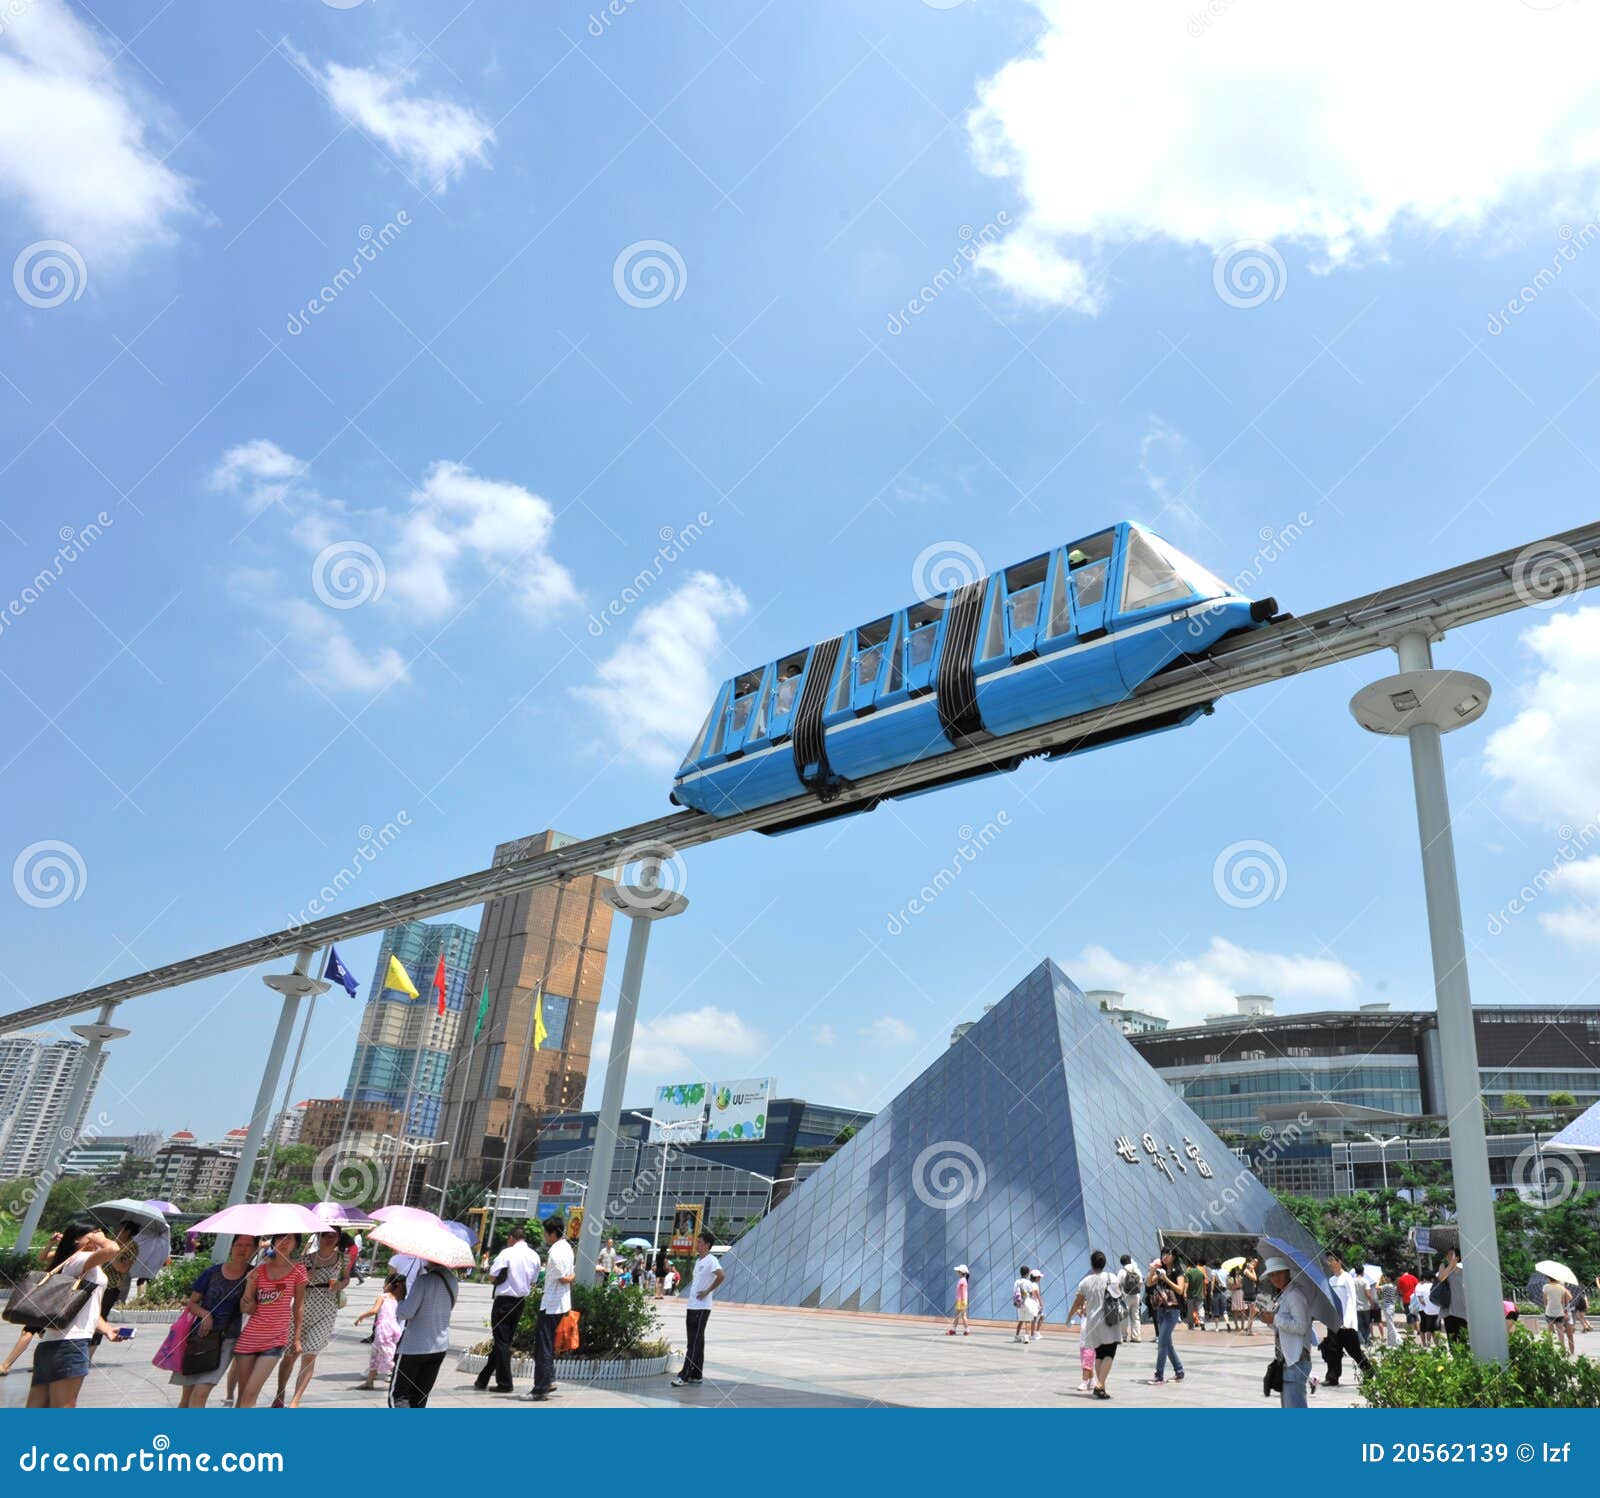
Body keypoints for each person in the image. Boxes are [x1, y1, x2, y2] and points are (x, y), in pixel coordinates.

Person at [25, 1221, 123, 1408]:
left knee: (38, 1406)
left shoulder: (79, 1263)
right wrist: (101, 1239)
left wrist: (107, 1330)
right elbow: (113, 1249)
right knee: (64, 1407)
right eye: (93, 1233)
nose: (99, 1235)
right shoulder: (80, 1259)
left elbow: (84, 1307)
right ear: (77, 1240)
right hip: (70, 1344)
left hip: (49, 1344)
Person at [171, 1233, 254, 1408]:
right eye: (239, 1245)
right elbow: (192, 1303)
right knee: (186, 1399)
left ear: (254, 1249)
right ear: (231, 1247)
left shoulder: (254, 1276)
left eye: (248, 1246)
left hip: (227, 1339)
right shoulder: (212, 1272)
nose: (243, 1249)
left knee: (200, 1392)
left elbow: (250, 1309)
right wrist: (205, 1315)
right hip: (200, 1337)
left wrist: (251, 1287)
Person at [271, 1229, 349, 1408]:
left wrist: (341, 1284)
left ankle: (295, 1401)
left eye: (334, 1236)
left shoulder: (343, 1259)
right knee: (290, 1355)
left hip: (326, 1309)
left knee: (310, 1354)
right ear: (318, 1236)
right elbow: (292, 1285)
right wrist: (305, 1278)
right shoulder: (305, 1259)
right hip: (302, 1307)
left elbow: (346, 1278)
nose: (330, 1239)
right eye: (326, 1235)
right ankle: (280, 1393)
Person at [232, 1232, 308, 1408]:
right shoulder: (259, 1270)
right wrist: (250, 1284)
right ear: (274, 1241)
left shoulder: (299, 1270)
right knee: (243, 1394)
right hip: (249, 1337)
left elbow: (298, 1306)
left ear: (296, 1244)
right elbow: (247, 1308)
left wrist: (296, 1339)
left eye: (290, 1239)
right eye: (281, 1238)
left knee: (250, 1393)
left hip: (274, 1340)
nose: (284, 1242)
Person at [476, 1223, 539, 1393]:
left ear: (512, 1238)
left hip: (504, 1301)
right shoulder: (534, 1256)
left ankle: (505, 1383)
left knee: (502, 1341)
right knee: (503, 1341)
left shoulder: (507, 1253)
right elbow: (533, 1281)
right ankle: (483, 1378)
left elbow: (492, 1276)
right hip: (520, 1302)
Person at [390, 1259, 459, 1408]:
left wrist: (399, 1299)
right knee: (419, 1397)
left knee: (399, 1397)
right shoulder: (453, 1280)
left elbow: (406, 1313)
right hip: (439, 1346)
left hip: (414, 1347)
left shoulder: (423, 1281)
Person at [1254, 1256, 1315, 1408]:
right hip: (1287, 1360)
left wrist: (1274, 1319)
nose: (1276, 1278)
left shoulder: (1294, 1295)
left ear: (1288, 1272)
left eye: (1279, 1273)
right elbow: (1282, 1328)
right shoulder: (1284, 1295)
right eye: (1272, 1275)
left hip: (1296, 1360)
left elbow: (1301, 1327)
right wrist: (1268, 1320)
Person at [526, 1216, 574, 1402]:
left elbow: (563, 1278)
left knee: (543, 1347)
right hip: (561, 1303)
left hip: (551, 1305)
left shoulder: (555, 1253)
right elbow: (568, 1275)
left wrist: (571, 1277)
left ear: (553, 1233)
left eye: (546, 1233)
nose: (544, 1236)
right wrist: (571, 1276)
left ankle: (540, 1389)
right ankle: (550, 1380)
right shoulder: (568, 1248)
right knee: (547, 1345)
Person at [1067, 1250, 1122, 1400]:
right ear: (1104, 1263)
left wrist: (1069, 1316)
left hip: (1092, 1322)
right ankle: (1099, 1384)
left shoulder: (1085, 1282)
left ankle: (1101, 1388)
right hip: (1108, 1320)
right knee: (1109, 1353)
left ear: (1092, 1264)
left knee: (1099, 1354)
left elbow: (1077, 1302)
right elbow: (1118, 1296)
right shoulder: (1112, 1277)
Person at [673, 1229, 724, 1388]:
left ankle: (684, 1375)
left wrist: (708, 1291)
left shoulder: (711, 1260)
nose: (697, 1244)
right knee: (698, 1341)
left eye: (699, 1242)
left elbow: (721, 1275)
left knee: (693, 1342)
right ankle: (696, 1374)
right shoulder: (699, 1261)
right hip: (692, 1305)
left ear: (707, 1245)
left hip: (702, 1307)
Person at [1322, 1250, 1371, 1386]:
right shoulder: (1331, 1280)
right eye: (1328, 1261)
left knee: (1354, 1351)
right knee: (1333, 1350)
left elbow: (1351, 1299)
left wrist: (1347, 1320)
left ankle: (1369, 1371)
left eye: (1332, 1260)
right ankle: (1332, 1377)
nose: (1330, 1263)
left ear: (1339, 1261)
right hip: (1334, 1321)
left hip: (1347, 1323)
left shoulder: (1347, 1278)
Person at [354, 1273, 405, 1390]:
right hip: (394, 1328)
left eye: (385, 1283)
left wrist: (361, 1316)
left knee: (385, 1355)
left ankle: (395, 1374)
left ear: (390, 1284)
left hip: (383, 1329)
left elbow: (374, 1310)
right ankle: (369, 1382)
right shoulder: (398, 1298)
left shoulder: (383, 1296)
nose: (383, 1286)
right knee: (378, 1354)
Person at [1147, 1249, 1186, 1384]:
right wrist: (1152, 1271)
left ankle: (1159, 1376)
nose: (1164, 1257)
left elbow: (1180, 1290)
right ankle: (1179, 1372)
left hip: (1173, 1310)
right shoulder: (1161, 1270)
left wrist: (1166, 1279)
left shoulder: (1178, 1270)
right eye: (1162, 1254)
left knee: (1162, 1343)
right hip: (1161, 1308)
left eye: (1167, 1254)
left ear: (1173, 1256)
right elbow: (1149, 1283)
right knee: (1167, 1344)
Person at [1435, 1246, 1469, 1345]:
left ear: (1458, 1257)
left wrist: (1455, 1265)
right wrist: (1451, 1265)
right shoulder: (1443, 1266)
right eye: (1448, 1254)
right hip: (1448, 1309)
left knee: (1463, 1340)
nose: (1448, 1256)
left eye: (1451, 1254)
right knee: (1452, 1340)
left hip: (1462, 1308)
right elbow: (1441, 1278)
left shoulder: (1464, 1268)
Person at [1542, 1277, 1574, 1353]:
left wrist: (1547, 1306)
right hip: (1560, 1313)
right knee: (1561, 1334)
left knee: (1549, 1333)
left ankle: (1549, 1351)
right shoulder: (1562, 1288)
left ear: (1549, 1278)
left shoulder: (1545, 1287)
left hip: (1549, 1312)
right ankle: (1562, 1351)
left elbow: (1545, 1301)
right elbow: (1562, 1303)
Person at [1117, 1254, 1143, 1343]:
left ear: (1122, 1263)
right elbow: (1141, 1282)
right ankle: (1136, 1337)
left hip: (1125, 1296)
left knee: (1124, 1317)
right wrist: (1136, 1289)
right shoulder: (1136, 1269)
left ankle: (1123, 1336)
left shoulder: (1122, 1271)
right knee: (1136, 1317)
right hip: (1136, 1296)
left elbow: (1118, 1284)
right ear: (1129, 1260)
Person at [1012, 1264, 1039, 1344]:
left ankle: (1017, 1336)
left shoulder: (1017, 1281)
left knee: (1020, 1320)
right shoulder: (1028, 1282)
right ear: (1027, 1273)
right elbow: (1031, 1293)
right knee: (1028, 1321)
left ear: (1020, 1272)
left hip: (1020, 1303)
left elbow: (1014, 1292)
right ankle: (1026, 1337)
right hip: (1027, 1302)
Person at [1413, 1274, 1439, 1348]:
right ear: (1424, 1279)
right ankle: (1425, 1344)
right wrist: (1428, 1306)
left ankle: (1431, 1344)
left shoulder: (1421, 1286)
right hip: (1423, 1310)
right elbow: (1421, 1300)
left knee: (1430, 1328)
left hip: (1426, 1309)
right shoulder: (1419, 1286)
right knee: (1425, 1328)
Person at [947, 1264, 970, 1336]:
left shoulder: (962, 1280)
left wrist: (962, 1301)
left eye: (958, 1271)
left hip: (961, 1301)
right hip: (962, 1301)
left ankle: (956, 1330)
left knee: (960, 1316)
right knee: (961, 1316)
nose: (957, 1273)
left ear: (961, 1272)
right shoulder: (963, 1280)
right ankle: (965, 1330)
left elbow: (963, 1292)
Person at [1185, 1258, 1206, 1331]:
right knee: (1200, 1308)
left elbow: (1186, 1283)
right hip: (1199, 1294)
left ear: (1188, 1264)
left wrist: (1184, 1292)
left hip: (1190, 1295)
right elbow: (1204, 1283)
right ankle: (1202, 1322)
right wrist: (1204, 1291)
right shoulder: (1200, 1272)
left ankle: (1191, 1325)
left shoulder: (1188, 1272)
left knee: (1190, 1310)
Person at [1242, 1256, 1260, 1334]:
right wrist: (1252, 1269)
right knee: (1252, 1312)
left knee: (1253, 1312)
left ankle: (1248, 1328)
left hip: (1251, 1292)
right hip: (1249, 1293)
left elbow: (1256, 1262)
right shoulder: (1246, 1271)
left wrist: (1253, 1267)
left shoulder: (1249, 1270)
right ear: (1247, 1263)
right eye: (1251, 1263)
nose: (1252, 1264)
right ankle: (1249, 1330)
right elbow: (1255, 1278)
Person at [1029, 1268, 1045, 1342]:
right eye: (1039, 1277)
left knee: (1037, 1318)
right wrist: (1041, 1304)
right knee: (1039, 1318)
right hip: (1036, 1305)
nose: (1040, 1278)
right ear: (1036, 1277)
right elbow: (1038, 1295)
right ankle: (1034, 1334)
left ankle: (1034, 1333)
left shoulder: (1030, 1284)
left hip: (1032, 1304)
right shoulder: (1035, 1285)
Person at [1229, 1265, 1246, 1330]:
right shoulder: (1231, 1278)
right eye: (1236, 1270)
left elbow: (1242, 1285)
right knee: (1235, 1311)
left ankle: (1243, 1326)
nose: (1238, 1271)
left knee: (1243, 1310)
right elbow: (1232, 1287)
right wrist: (1238, 1285)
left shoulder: (1240, 1277)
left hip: (1241, 1293)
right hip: (1235, 1294)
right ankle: (1236, 1326)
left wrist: (1239, 1285)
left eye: (1238, 1270)